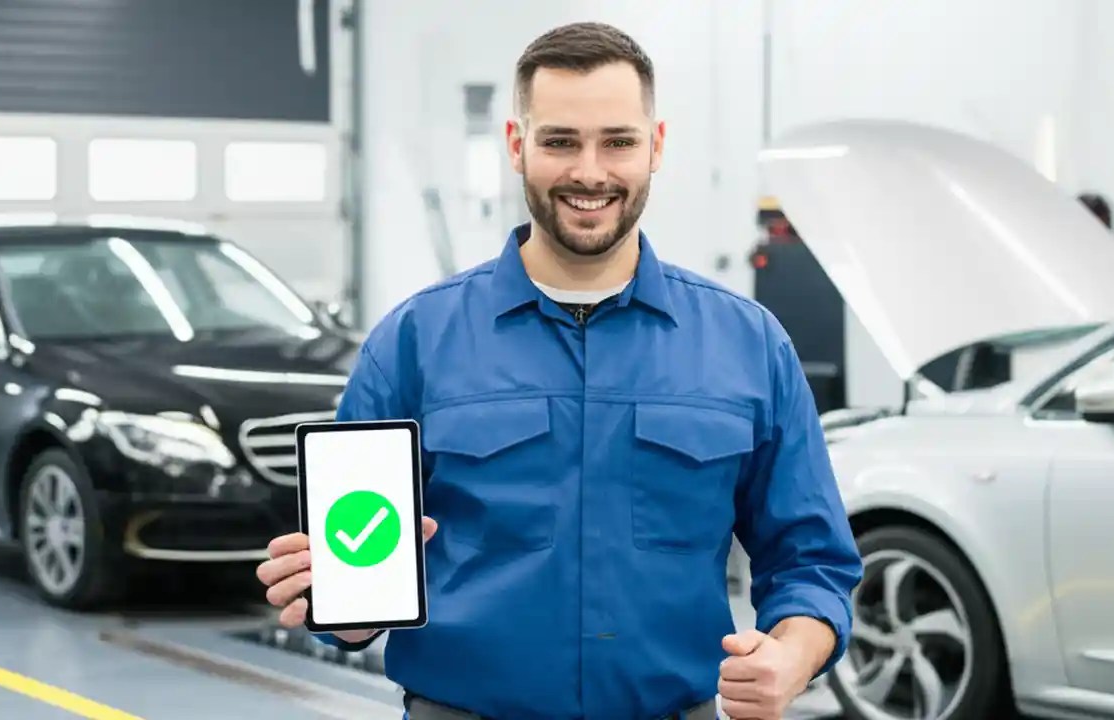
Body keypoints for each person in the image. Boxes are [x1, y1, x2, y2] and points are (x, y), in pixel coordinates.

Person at [257, 21, 863, 720]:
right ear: (518, 146)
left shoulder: (747, 345)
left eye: (618, 141)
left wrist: (793, 654)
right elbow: (352, 584)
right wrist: (343, 609)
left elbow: (813, 559)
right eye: (560, 141)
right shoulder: (415, 342)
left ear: (655, 146)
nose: (590, 172)